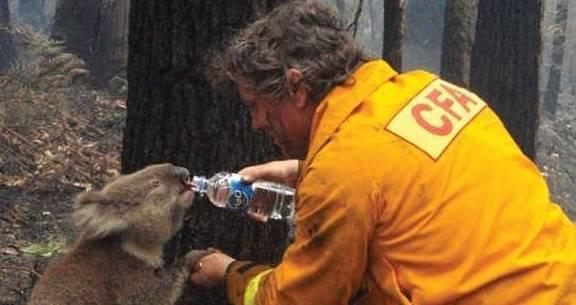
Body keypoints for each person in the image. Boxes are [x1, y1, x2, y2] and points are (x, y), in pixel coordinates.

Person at [190, 1, 576, 304]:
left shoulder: (342, 173)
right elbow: (404, 177)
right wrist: (301, 171)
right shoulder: (425, 90)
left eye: (257, 105)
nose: (257, 123)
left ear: (297, 88)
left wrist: (229, 274)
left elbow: (299, 299)